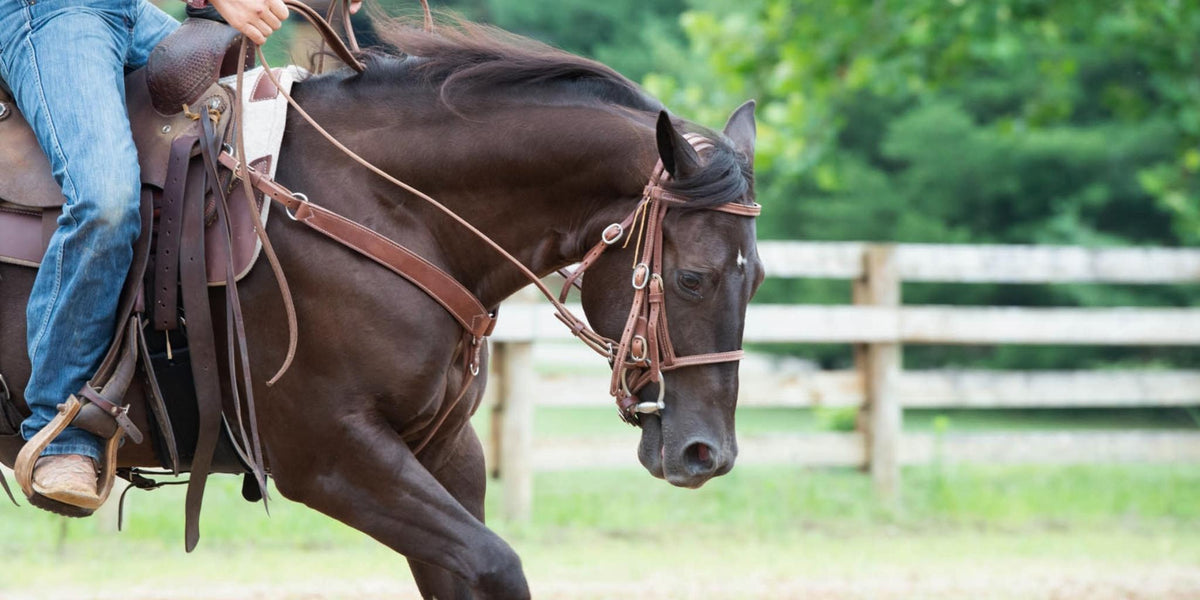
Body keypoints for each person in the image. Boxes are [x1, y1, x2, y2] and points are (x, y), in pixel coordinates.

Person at [1, 0, 288, 511]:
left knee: (263, 119)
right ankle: (58, 431)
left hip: (128, 10)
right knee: (106, 200)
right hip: (48, 12)